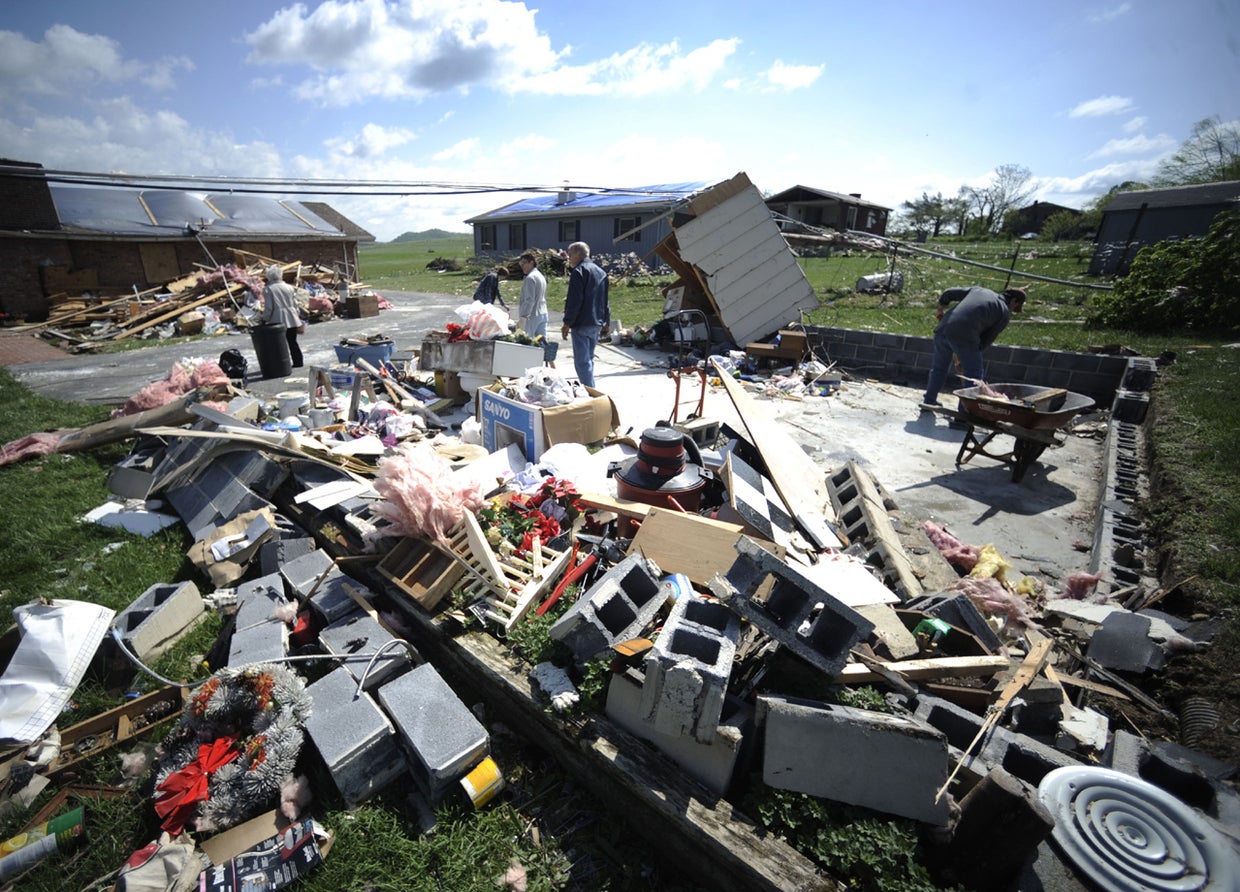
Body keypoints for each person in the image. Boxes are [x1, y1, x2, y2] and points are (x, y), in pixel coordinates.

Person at [922, 285, 1025, 408]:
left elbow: (948, 293)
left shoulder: (979, 290)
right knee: (974, 375)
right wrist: (968, 356)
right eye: (1015, 307)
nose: (1013, 310)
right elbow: (986, 340)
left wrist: (940, 308)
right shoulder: (1004, 312)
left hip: (943, 329)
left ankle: (929, 400)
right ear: (1013, 301)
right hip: (965, 336)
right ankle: (964, 414)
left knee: (939, 368)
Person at [561, 241, 610, 388]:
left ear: (577, 253)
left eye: (570, 255)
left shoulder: (579, 272)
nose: (569, 258)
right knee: (589, 359)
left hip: (582, 322)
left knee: (582, 362)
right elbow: (605, 300)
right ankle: (590, 387)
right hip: (596, 321)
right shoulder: (601, 272)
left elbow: (575, 301)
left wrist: (567, 322)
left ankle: (590, 391)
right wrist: (607, 321)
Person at [260, 264, 303, 368]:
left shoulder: (268, 289)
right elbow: (295, 303)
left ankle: (283, 364)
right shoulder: (289, 287)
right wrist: (297, 314)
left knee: (279, 344)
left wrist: (264, 318)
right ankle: (298, 361)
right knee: (292, 341)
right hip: (292, 316)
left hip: (277, 318)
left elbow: (269, 307)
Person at [516, 252, 554, 366]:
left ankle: (529, 368)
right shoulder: (540, 276)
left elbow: (529, 300)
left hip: (532, 315)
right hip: (543, 313)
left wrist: (523, 316)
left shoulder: (530, 278)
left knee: (528, 345)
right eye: (520, 264)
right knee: (542, 343)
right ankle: (550, 368)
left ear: (531, 263)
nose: (522, 266)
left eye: (524, 263)